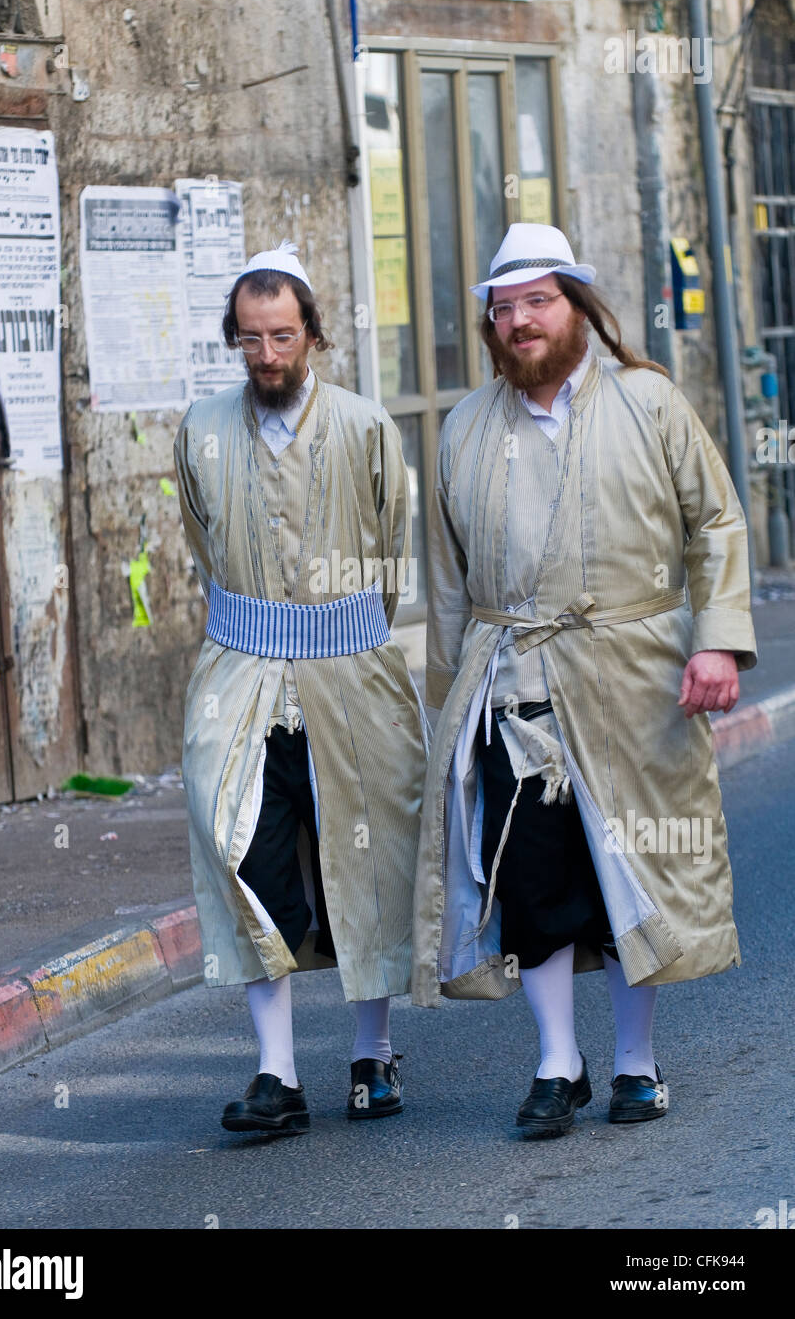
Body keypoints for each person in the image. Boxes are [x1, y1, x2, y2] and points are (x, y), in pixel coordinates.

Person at [412, 222, 756, 1137]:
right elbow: (447, 583)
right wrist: (446, 710)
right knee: (532, 881)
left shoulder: (649, 402)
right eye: (504, 309)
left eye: (537, 302)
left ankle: (637, 1065)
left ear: (575, 308)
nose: (520, 322)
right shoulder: (463, 429)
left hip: (636, 675)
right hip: (513, 683)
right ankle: (557, 1061)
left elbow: (713, 523)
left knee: (629, 876)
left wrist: (716, 640)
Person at [174, 241, 427, 1134]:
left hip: (350, 669)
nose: (267, 356)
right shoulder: (201, 427)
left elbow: (391, 550)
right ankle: (275, 1074)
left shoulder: (363, 426)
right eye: (250, 339)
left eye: (282, 336)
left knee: (366, 861)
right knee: (244, 850)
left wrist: (340, 635)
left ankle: (373, 1055)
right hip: (240, 673)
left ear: (314, 334)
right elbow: (204, 538)